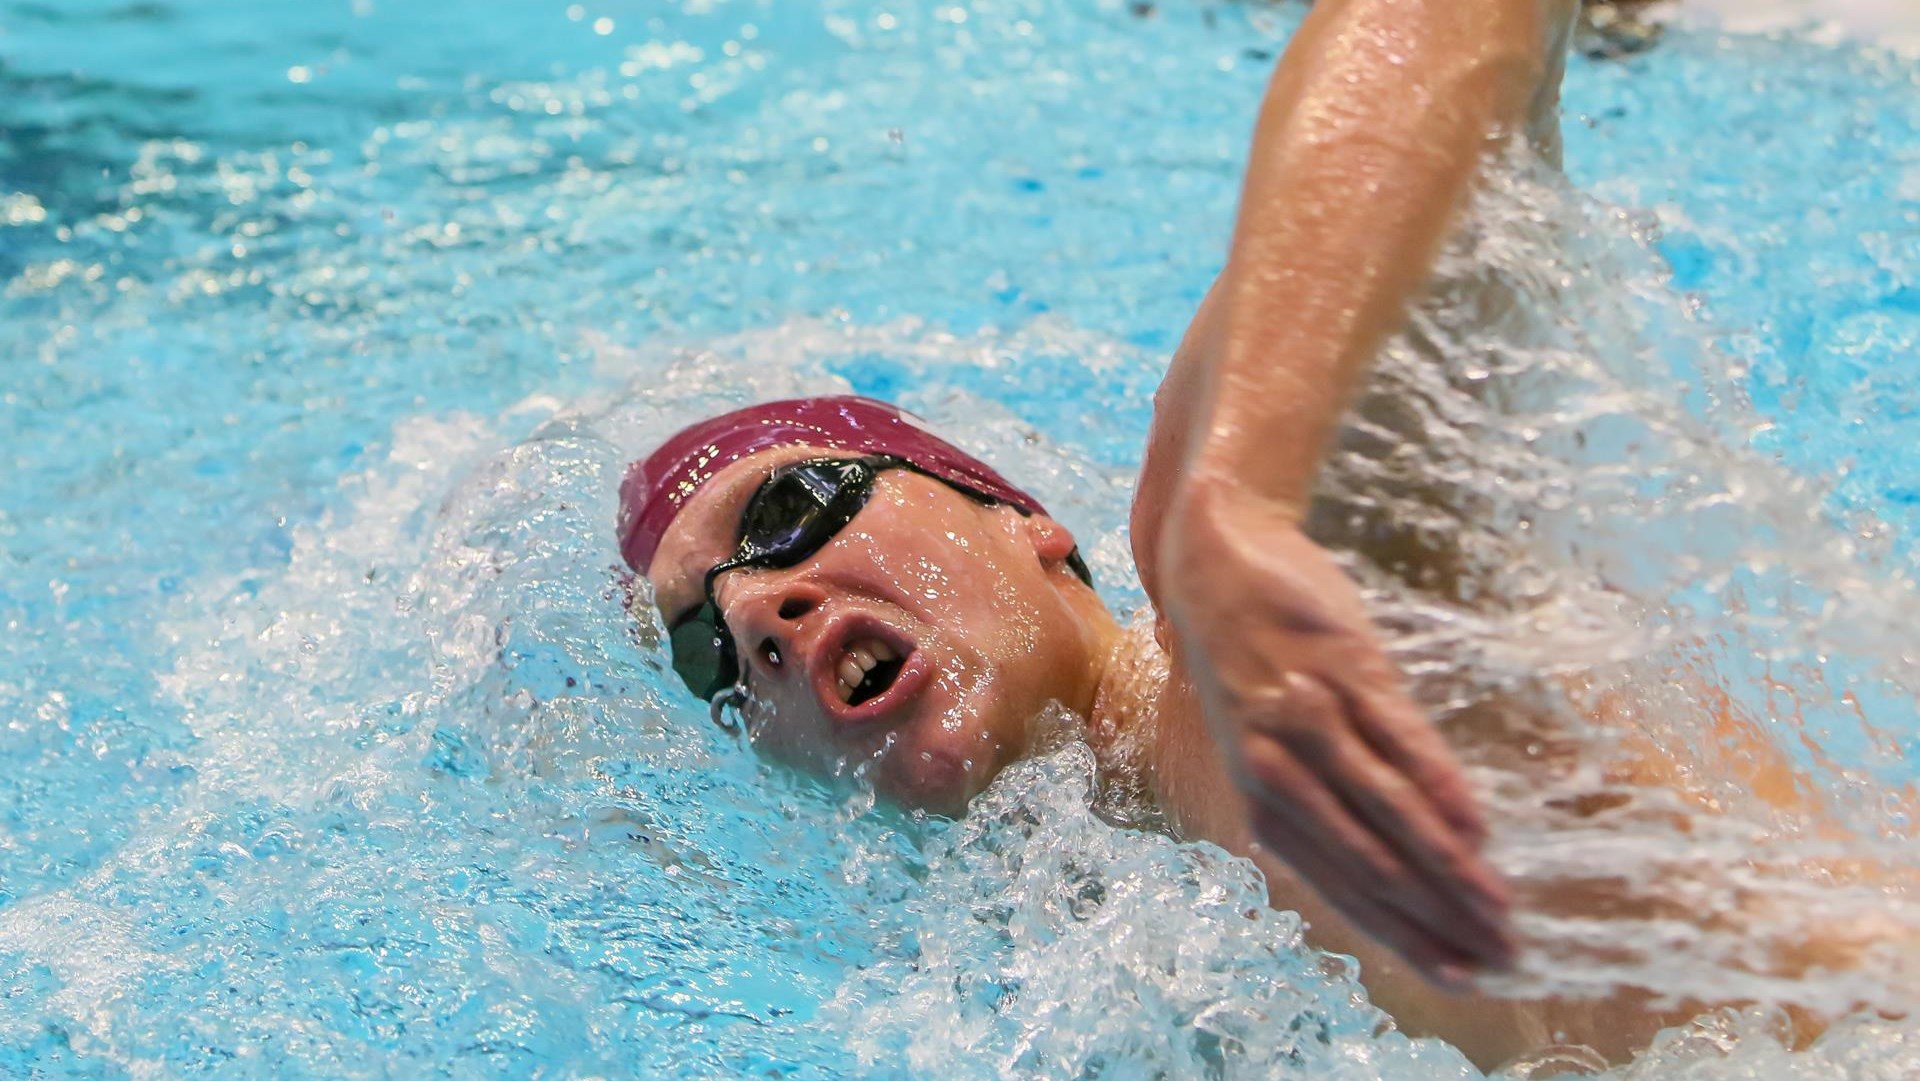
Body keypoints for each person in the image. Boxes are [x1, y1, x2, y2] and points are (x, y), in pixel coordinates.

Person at [616, 0, 1879, 1068]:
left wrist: (1243, 502)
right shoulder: (1085, 957)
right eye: (704, 657)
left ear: (1026, 522)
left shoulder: (1264, 626)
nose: (753, 615)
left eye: (791, 511)